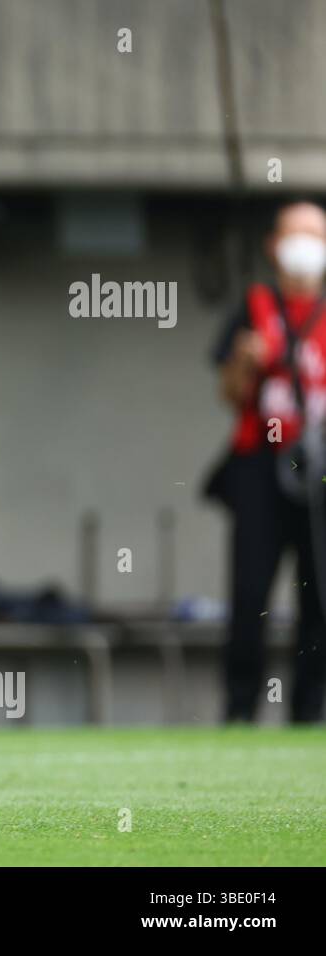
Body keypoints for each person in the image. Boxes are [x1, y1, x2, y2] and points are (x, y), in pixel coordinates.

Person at [209, 200, 326, 723]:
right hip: (260, 463)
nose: (305, 244)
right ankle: (239, 710)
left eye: (315, 234)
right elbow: (228, 394)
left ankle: (307, 713)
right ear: (274, 246)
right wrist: (245, 359)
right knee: (250, 592)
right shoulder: (254, 306)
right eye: (295, 233)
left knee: (318, 596)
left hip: (320, 470)